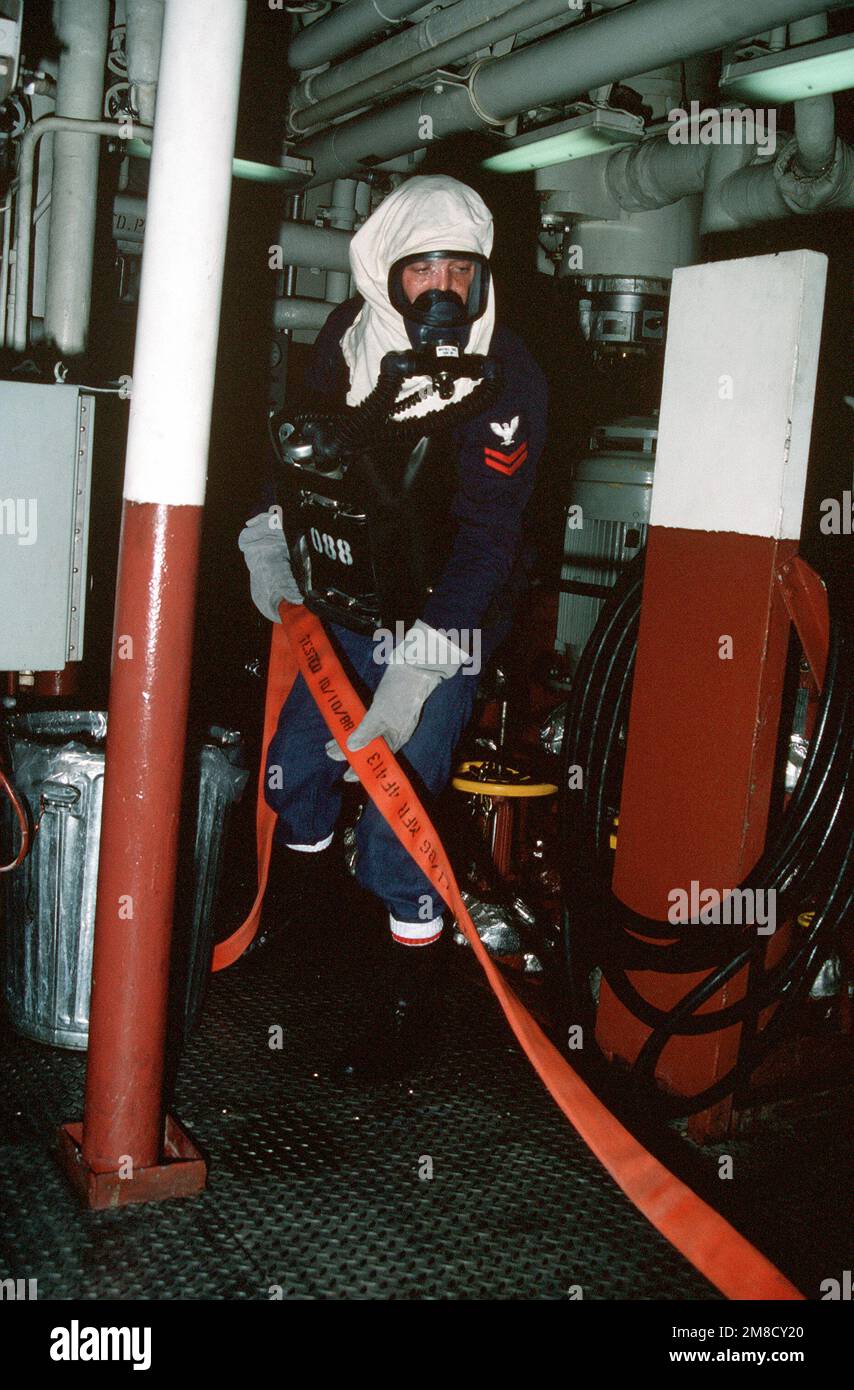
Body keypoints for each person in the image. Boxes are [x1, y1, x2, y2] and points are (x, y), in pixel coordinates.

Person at [239, 175, 548, 1079]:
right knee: (294, 773)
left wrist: (421, 672)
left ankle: (407, 1015)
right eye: (424, 268)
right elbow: (298, 445)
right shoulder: (348, 334)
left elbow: (490, 538)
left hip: (446, 620)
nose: (444, 288)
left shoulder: (508, 373)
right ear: (387, 273)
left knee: (396, 821)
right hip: (347, 601)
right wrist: (268, 535)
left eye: (461, 266)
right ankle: (309, 941)